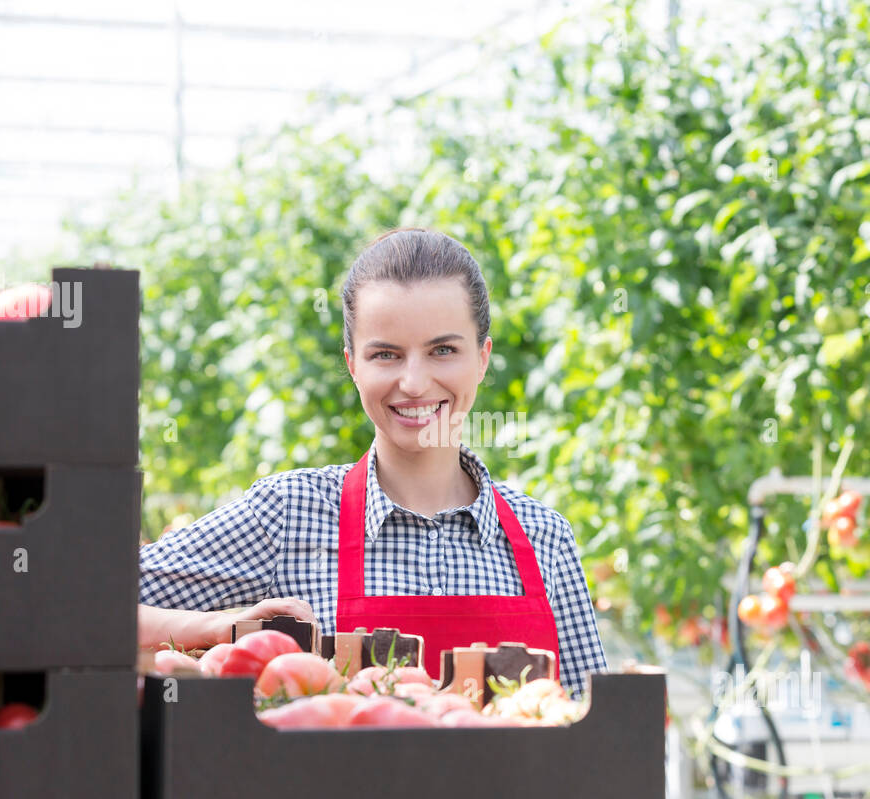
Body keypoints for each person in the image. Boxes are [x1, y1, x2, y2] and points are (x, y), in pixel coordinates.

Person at [137, 227, 608, 697]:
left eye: (443, 350)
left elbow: (595, 727)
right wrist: (213, 626)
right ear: (353, 364)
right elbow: (87, 606)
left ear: (482, 359)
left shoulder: (543, 537)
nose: (415, 382)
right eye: (386, 354)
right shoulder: (288, 514)